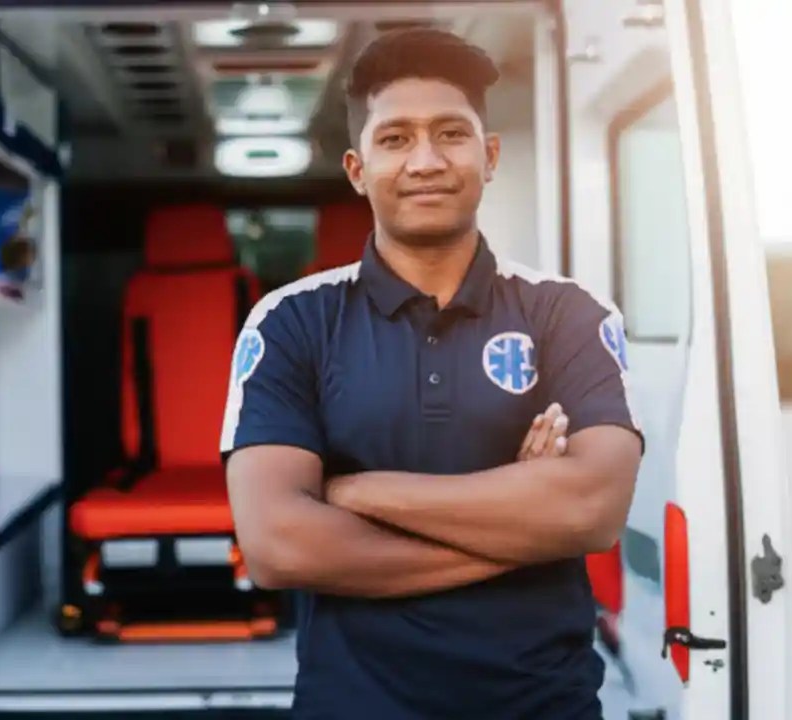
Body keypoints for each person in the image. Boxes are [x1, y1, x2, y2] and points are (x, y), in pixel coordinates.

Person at [219, 28, 645, 720]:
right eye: (395, 139)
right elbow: (278, 545)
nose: (425, 160)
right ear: (358, 169)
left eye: (451, 133)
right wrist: (524, 521)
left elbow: (591, 511)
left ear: (490, 154)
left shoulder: (565, 312)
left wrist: (354, 490)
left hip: (544, 704)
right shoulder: (290, 321)